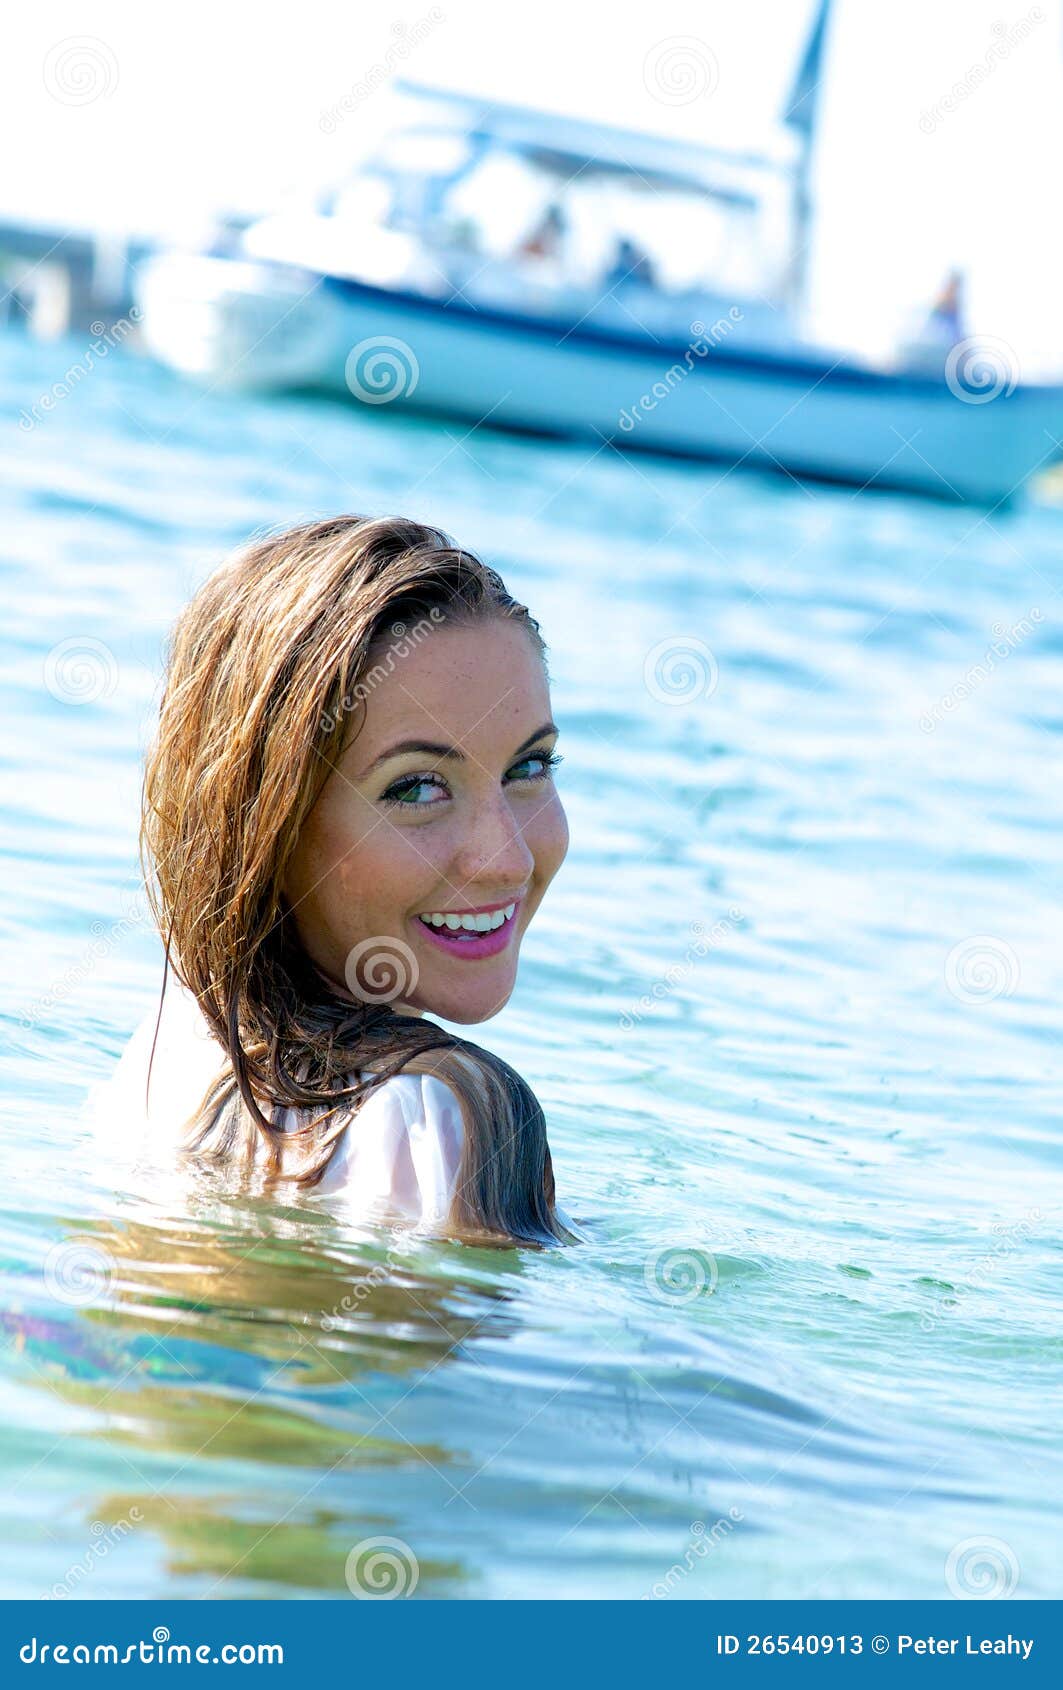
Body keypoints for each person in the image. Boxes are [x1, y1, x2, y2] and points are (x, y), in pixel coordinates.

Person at [85, 515, 580, 1248]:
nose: (505, 858)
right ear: (267, 823)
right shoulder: (444, 1115)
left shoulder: (174, 1046)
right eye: (416, 788)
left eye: (529, 767)